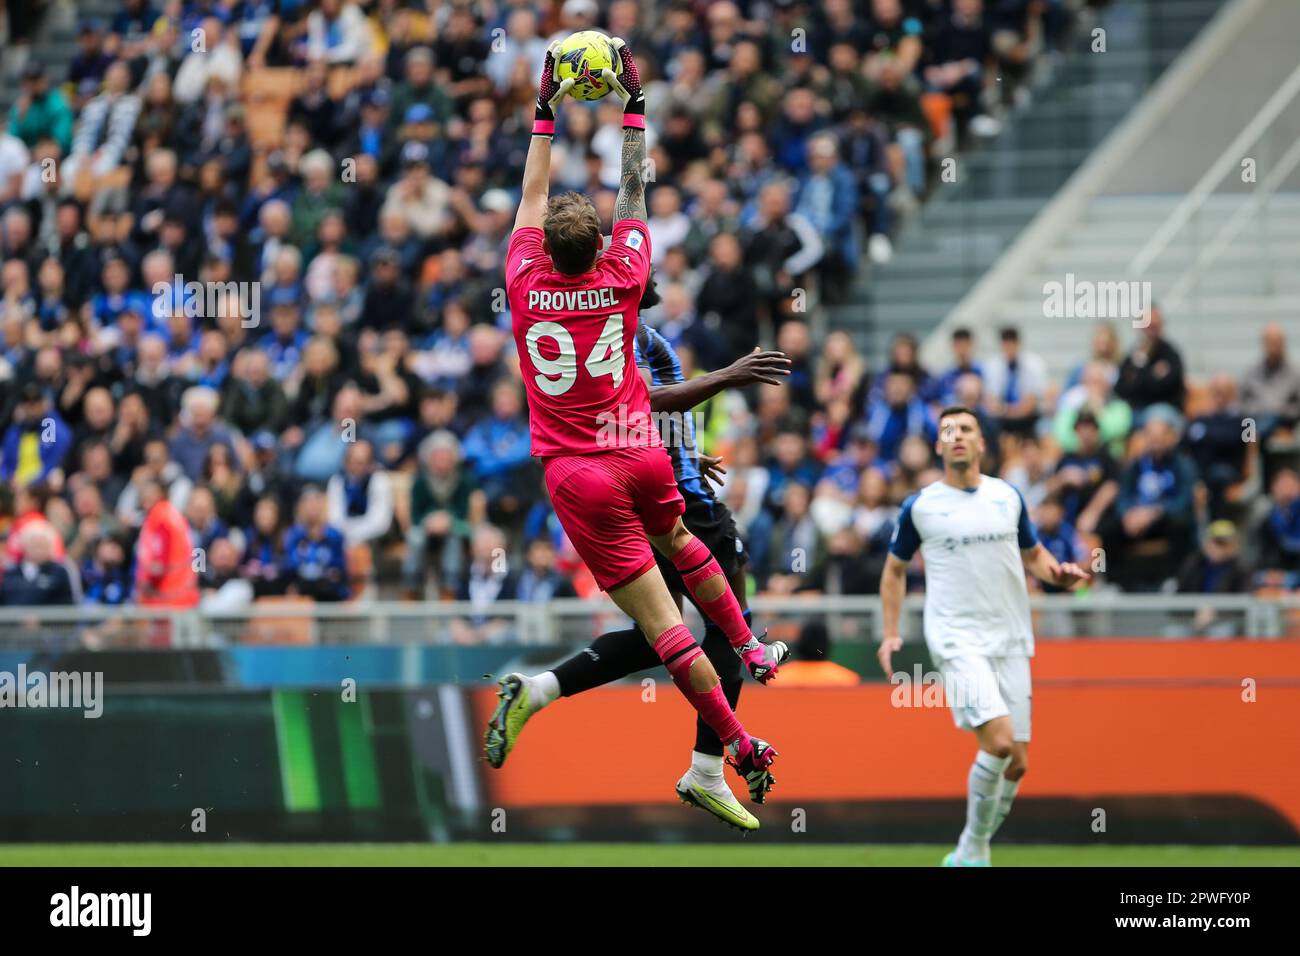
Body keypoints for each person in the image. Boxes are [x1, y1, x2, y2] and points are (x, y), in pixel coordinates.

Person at [485, 40, 783, 825]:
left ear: (542, 250)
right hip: (640, 455)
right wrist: (636, 107)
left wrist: (545, 111)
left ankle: (733, 743)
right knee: (688, 550)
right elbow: (634, 193)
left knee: (660, 627)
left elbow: (529, 195)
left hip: (578, 473)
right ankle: (746, 659)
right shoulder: (623, 285)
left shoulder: (523, 283)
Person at [495, 277, 793, 829]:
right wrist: (728, 376)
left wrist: (682, 451)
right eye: (640, 262)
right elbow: (634, 401)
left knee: (658, 635)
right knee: (726, 637)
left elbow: (627, 414)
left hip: (649, 491)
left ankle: (539, 690)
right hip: (679, 509)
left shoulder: (638, 334)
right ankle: (708, 770)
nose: (649, 271)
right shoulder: (617, 330)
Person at [878, 405, 1090, 866]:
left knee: (1017, 761)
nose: (957, 436)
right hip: (956, 638)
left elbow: (1035, 556)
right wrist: (891, 633)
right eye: (948, 430)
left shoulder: (1007, 496)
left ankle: (971, 848)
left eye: (966, 429)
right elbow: (893, 571)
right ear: (938, 445)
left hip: (1010, 637)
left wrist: (1060, 574)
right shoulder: (922, 505)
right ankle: (973, 851)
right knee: (997, 741)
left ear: (981, 443)